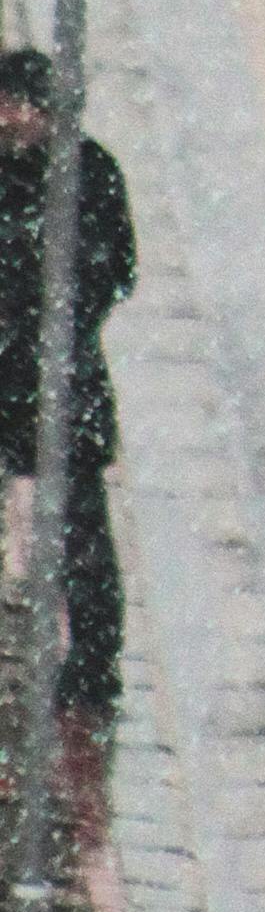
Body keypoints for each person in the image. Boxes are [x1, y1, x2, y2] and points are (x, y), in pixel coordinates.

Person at [0, 52, 136, 757]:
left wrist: (56, 318)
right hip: (26, 373)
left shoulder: (89, 173)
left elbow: (115, 269)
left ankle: (93, 667)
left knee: (84, 534)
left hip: (60, 377)